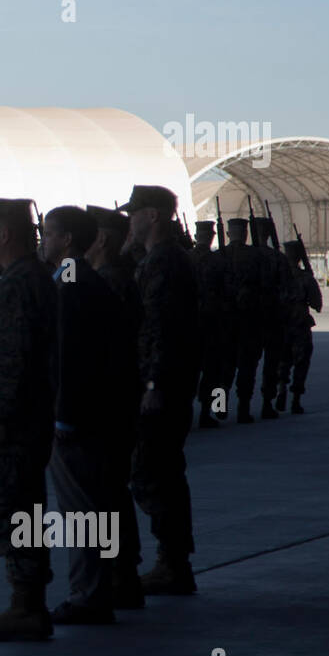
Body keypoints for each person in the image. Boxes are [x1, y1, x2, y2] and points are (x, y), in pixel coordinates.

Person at [0, 198, 57, 641]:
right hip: (24, 419)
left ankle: (26, 605)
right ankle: (27, 601)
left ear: (4, 233)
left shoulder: (21, 283)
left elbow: (12, 355)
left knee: (15, 508)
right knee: (23, 507)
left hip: (13, 424)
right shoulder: (23, 278)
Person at [118, 186, 200, 595]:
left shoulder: (165, 263)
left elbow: (161, 330)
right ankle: (173, 559)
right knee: (162, 470)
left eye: (134, 213)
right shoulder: (158, 260)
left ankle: (172, 562)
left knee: (154, 472)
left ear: (152, 215)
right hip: (166, 382)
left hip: (162, 386)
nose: (129, 220)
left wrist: (153, 383)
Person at [42, 206, 122, 624]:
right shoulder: (86, 280)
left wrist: (63, 417)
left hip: (78, 414)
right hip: (100, 411)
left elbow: (69, 356)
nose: (44, 239)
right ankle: (104, 586)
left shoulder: (70, 284)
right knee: (95, 504)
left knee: (79, 510)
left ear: (68, 240)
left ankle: (89, 595)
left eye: (49, 233)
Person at [85, 205, 144, 608]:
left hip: (106, 402)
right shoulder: (116, 278)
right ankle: (122, 572)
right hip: (117, 398)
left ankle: (117, 574)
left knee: (104, 492)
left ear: (101, 239)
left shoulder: (107, 282)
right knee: (110, 490)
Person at [190, 220, 235, 428]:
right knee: (215, 372)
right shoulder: (218, 261)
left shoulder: (185, 258)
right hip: (214, 323)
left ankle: (186, 413)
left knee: (189, 372)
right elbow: (229, 291)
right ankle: (213, 410)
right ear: (212, 237)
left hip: (189, 323)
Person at [253, 218, 295, 420]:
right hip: (272, 319)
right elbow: (289, 290)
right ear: (269, 234)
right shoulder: (278, 259)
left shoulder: (239, 257)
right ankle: (267, 405)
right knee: (271, 364)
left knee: (228, 369)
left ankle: (220, 407)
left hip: (247, 321)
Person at [223, 218, 263, 423]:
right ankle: (243, 410)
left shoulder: (217, 257)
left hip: (222, 325)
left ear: (228, 234)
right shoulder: (256, 257)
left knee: (221, 371)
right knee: (246, 369)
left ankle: (217, 409)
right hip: (249, 322)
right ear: (245, 233)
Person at [277, 239, 323, 414]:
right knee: (301, 363)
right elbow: (317, 305)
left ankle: (281, 389)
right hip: (299, 325)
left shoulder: (278, 277)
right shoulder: (305, 278)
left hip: (281, 325)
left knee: (282, 362)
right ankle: (295, 400)